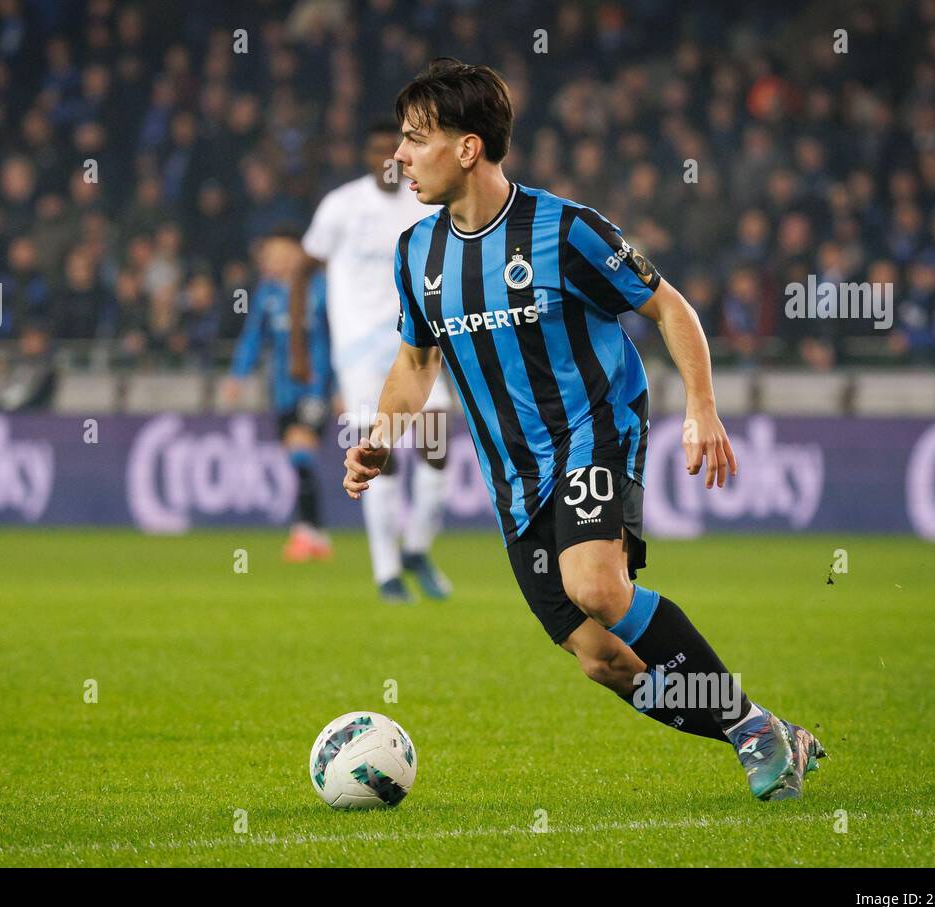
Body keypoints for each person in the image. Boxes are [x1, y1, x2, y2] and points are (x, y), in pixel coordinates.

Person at [344, 59, 826, 801]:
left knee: (597, 585)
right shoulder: (417, 253)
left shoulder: (565, 231)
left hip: (592, 433)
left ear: (468, 148)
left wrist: (702, 407)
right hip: (515, 474)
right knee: (603, 659)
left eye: (415, 139)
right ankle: (756, 725)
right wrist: (381, 435)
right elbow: (415, 361)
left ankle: (753, 731)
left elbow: (671, 308)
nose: (398, 157)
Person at [290, 120, 454, 603]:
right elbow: (302, 269)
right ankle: (386, 573)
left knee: (436, 444)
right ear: (364, 157)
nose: (389, 159)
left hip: (416, 345)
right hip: (360, 353)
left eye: (396, 149)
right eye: (377, 151)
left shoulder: (423, 200)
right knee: (377, 456)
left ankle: (418, 547)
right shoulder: (341, 207)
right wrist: (300, 346)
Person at [224, 228, 333, 561]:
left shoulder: (321, 290)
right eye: (268, 256)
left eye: (279, 254)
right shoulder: (267, 294)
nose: (272, 261)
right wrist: (237, 375)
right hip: (283, 391)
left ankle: (304, 531)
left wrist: (341, 386)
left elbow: (338, 337)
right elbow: (253, 337)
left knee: (300, 451)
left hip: (316, 387)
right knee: (297, 459)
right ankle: (317, 534)